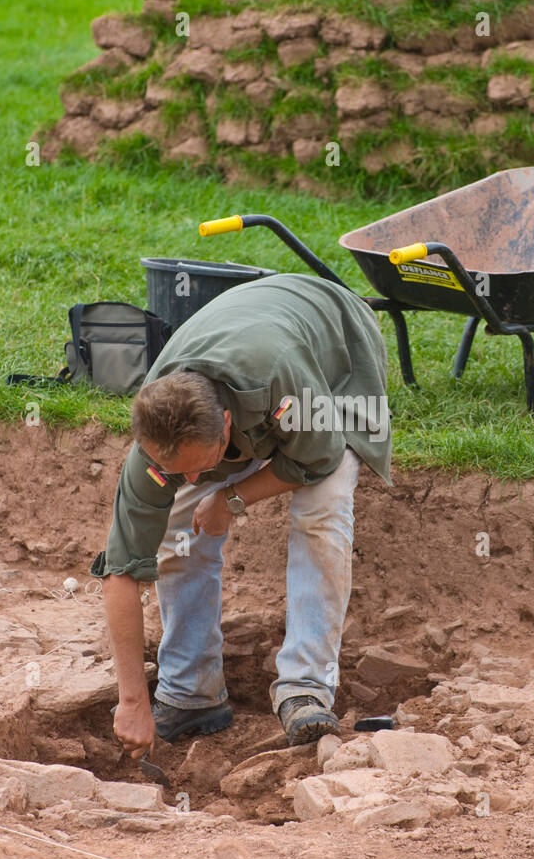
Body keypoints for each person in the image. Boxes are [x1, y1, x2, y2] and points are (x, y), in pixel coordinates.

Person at [91, 272, 391, 756]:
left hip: (334, 345)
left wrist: (231, 499)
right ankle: (190, 692)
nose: (190, 482)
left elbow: (316, 459)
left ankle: (306, 688)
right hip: (252, 347)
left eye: (202, 466)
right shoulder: (154, 442)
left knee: (323, 510)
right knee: (177, 527)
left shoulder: (280, 381)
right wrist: (132, 700)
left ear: (227, 425)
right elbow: (122, 573)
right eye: (176, 472)